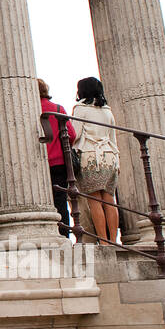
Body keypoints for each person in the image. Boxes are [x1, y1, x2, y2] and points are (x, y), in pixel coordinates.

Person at [72, 77, 120, 245]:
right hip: (110, 156)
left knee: (94, 201)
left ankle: (104, 241)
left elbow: (75, 134)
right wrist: (117, 162)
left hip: (91, 156)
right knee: (109, 200)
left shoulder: (80, 109)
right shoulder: (107, 110)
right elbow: (113, 138)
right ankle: (114, 240)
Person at [38, 78, 77, 238]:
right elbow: (72, 135)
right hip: (60, 162)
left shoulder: (30, 110)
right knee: (60, 200)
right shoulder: (58, 109)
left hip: (38, 163)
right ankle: (64, 235)